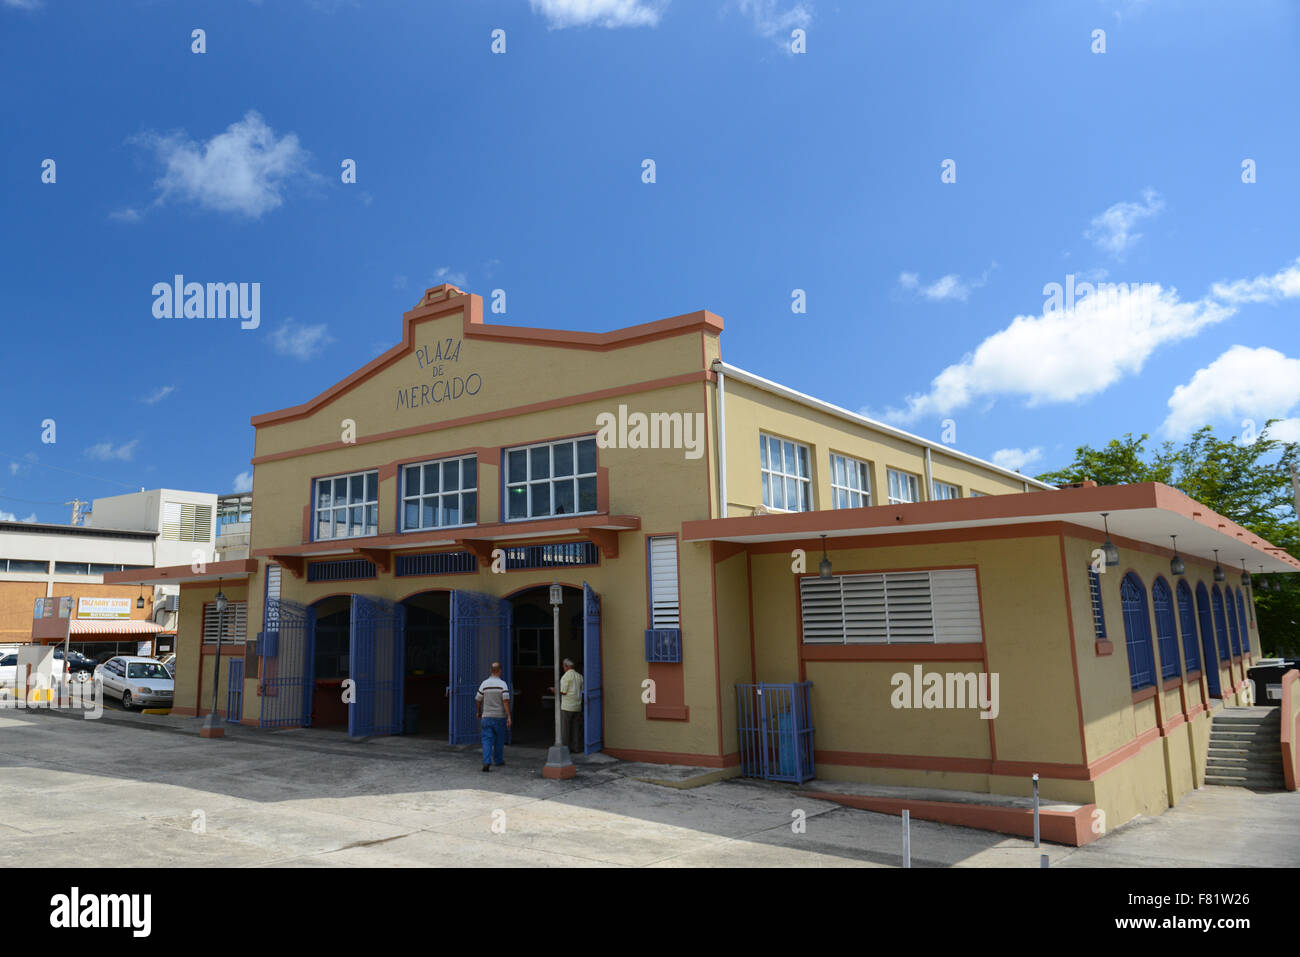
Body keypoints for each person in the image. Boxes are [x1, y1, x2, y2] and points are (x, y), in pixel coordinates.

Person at [475, 661, 511, 771]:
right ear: (500, 671)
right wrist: (509, 716)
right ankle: (498, 760)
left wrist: (478, 712)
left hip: (486, 716)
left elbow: (478, 699)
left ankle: (486, 762)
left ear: (490, 671)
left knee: (486, 740)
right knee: (499, 740)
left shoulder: (484, 684)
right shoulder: (503, 684)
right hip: (499, 717)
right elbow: (505, 701)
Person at [558, 658, 583, 755]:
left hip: (567, 707)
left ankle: (565, 749)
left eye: (563, 666)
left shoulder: (565, 677)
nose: (563, 668)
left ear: (566, 666)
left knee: (565, 729)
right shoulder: (579, 676)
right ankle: (576, 748)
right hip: (577, 705)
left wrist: (555, 690)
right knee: (576, 728)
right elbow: (582, 690)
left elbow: (563, 692)